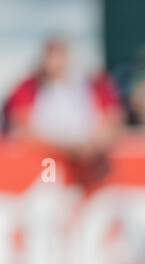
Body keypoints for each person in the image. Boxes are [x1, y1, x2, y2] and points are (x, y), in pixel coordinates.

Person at [3, 37, 122, 181]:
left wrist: (92, 147)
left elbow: (113, 121)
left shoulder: (94, 84)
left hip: (89, 166)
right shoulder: (28, 87)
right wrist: (68, 148)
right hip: (44, 167)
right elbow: (22, 129)